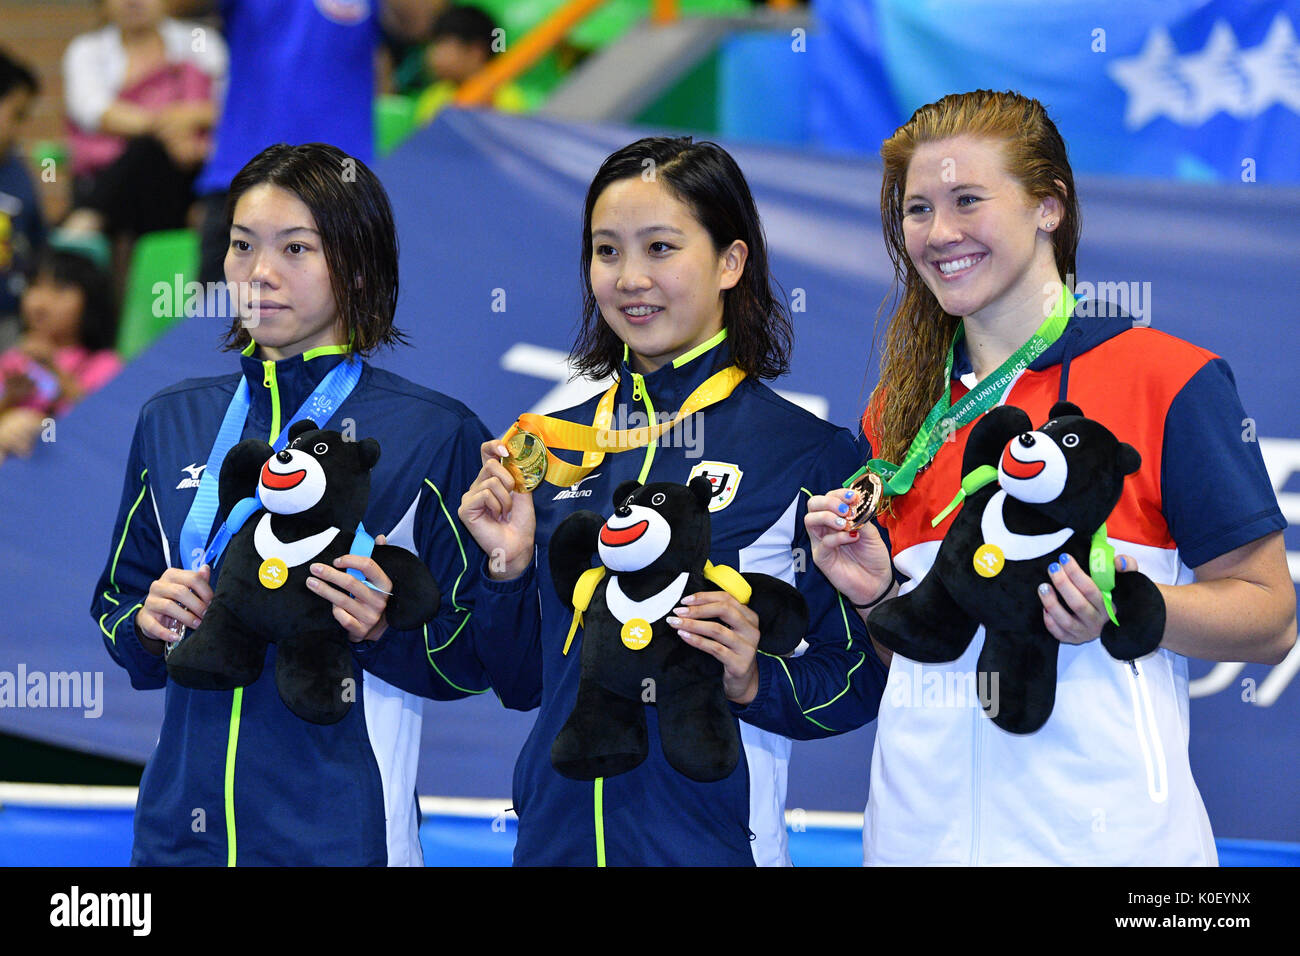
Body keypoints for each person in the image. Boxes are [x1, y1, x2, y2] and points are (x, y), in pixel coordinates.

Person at [805, 89, 1295, 866]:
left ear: (1048, 207)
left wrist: (1124, 610)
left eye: (968, 200)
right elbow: (921, 658)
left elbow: (1272, 619)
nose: (939, 233)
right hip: (913, 843)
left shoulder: (1167, 378)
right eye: (918, 209)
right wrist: (876, 596)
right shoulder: (899, 413)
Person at [458, 136, 887, 866]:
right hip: (552, 846)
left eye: (660, 247)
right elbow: (521, 683)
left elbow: (856, 680)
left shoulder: (808, 453)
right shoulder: (553, 447)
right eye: (607, 251)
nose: (630, 278)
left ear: (730, 261)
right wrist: (506, 571)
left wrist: (755, 679)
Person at [91, 142, 494, 865]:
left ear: (360, 266)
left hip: (346, 842)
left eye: (297, 248)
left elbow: (482, 659)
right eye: (243, 245)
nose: (260, 274)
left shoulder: (435, 432)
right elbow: (119, 605)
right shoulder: (170, 418)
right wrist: (148, 627)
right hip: (180, 839)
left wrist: (383, 631)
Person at [60, 0, 228, 238]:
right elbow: (94, 113)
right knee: (146, 150)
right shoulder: (87, 49)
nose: (133, 2)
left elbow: (227, 106)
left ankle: (87, 219)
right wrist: (170, 129)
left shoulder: (201, 41)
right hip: (110, 171)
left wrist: (188, 119)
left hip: (193, 167)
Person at [0, 248, 121, 463]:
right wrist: (9, 399)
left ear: (91, 302)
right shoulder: (12, 360)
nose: (39, 303)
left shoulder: (105, 364)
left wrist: (55, 371)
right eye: (34, 286)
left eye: (59, 289)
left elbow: (106, 428)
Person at [412, 5, 526, 126]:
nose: (432, 56)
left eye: (443, 46)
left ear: (476, 52)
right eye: (433, 46)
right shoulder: (432, 97)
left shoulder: (505, 99)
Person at [0, 49, 46, 346]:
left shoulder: (17, 173)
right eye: (16, 115)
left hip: (10, 323)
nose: (19, 129)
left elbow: (39, 245)